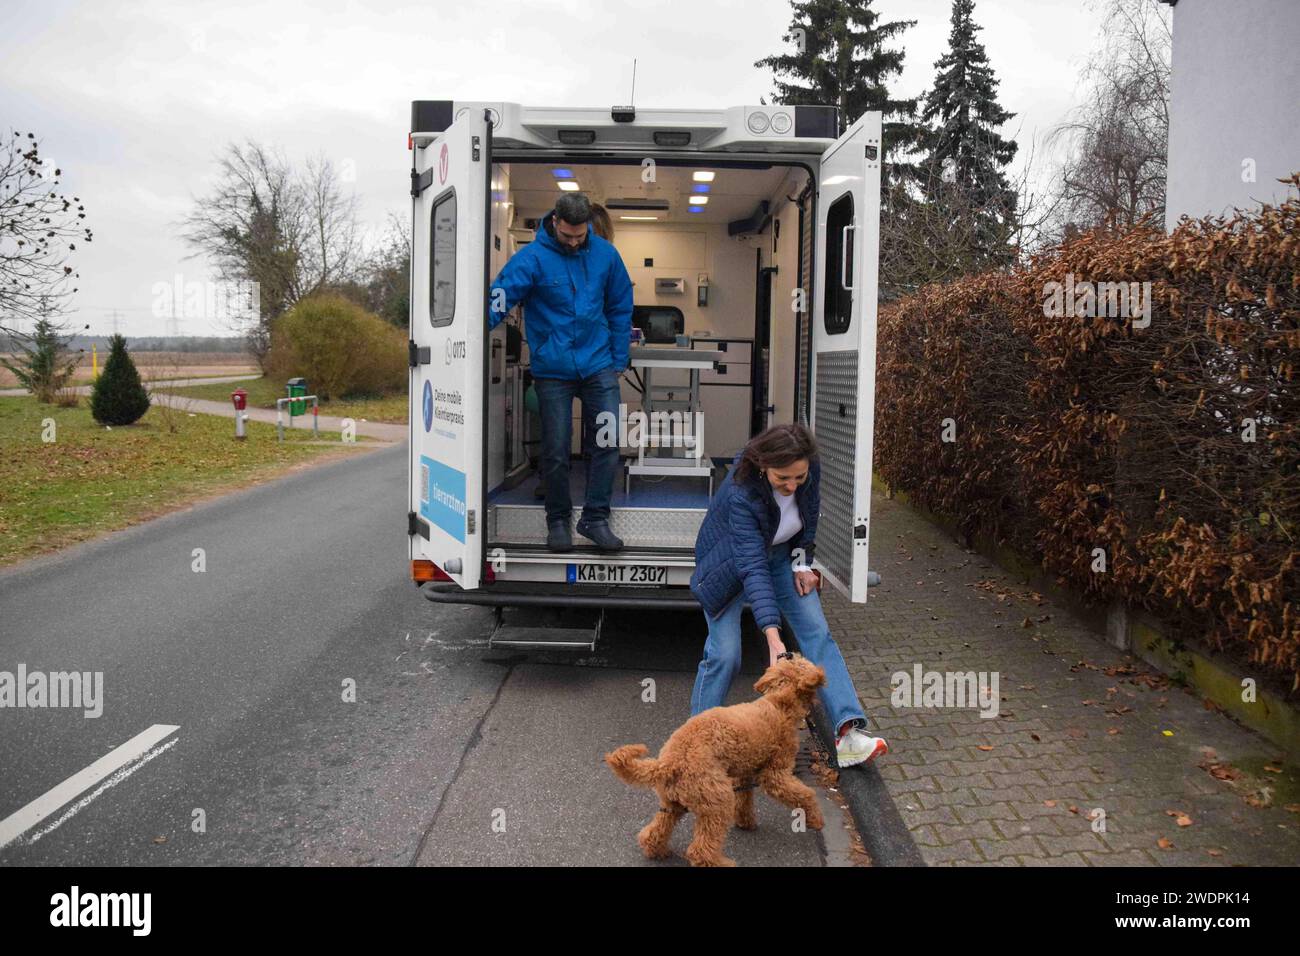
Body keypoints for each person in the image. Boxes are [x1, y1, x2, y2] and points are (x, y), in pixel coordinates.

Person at [688, 423, 888, 768]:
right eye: (783, 478)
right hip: (730, 566)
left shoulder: (807, 470)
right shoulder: (742, 494)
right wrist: (773, 636)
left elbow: (808, 518)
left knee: (817, 634)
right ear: (764, 466)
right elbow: (752, 567)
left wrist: (802, 563)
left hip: (781, 557)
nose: (792, 484)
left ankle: (849, 734)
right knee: (725, 655)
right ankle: (697, 742)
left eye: (799, 477)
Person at [487, 193, 633, 552]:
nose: (573, 242)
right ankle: (558, 521)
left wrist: (617, 359)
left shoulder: (606, 255)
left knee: (607, 443)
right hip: (553, 369)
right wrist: (468, 333)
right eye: (567, 235)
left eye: (579, 236)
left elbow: (619, 308)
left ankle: (595, 519)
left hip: (598, 364)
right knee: (555, 449)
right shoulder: (532, 258)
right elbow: (500, 297)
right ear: (555, 222)